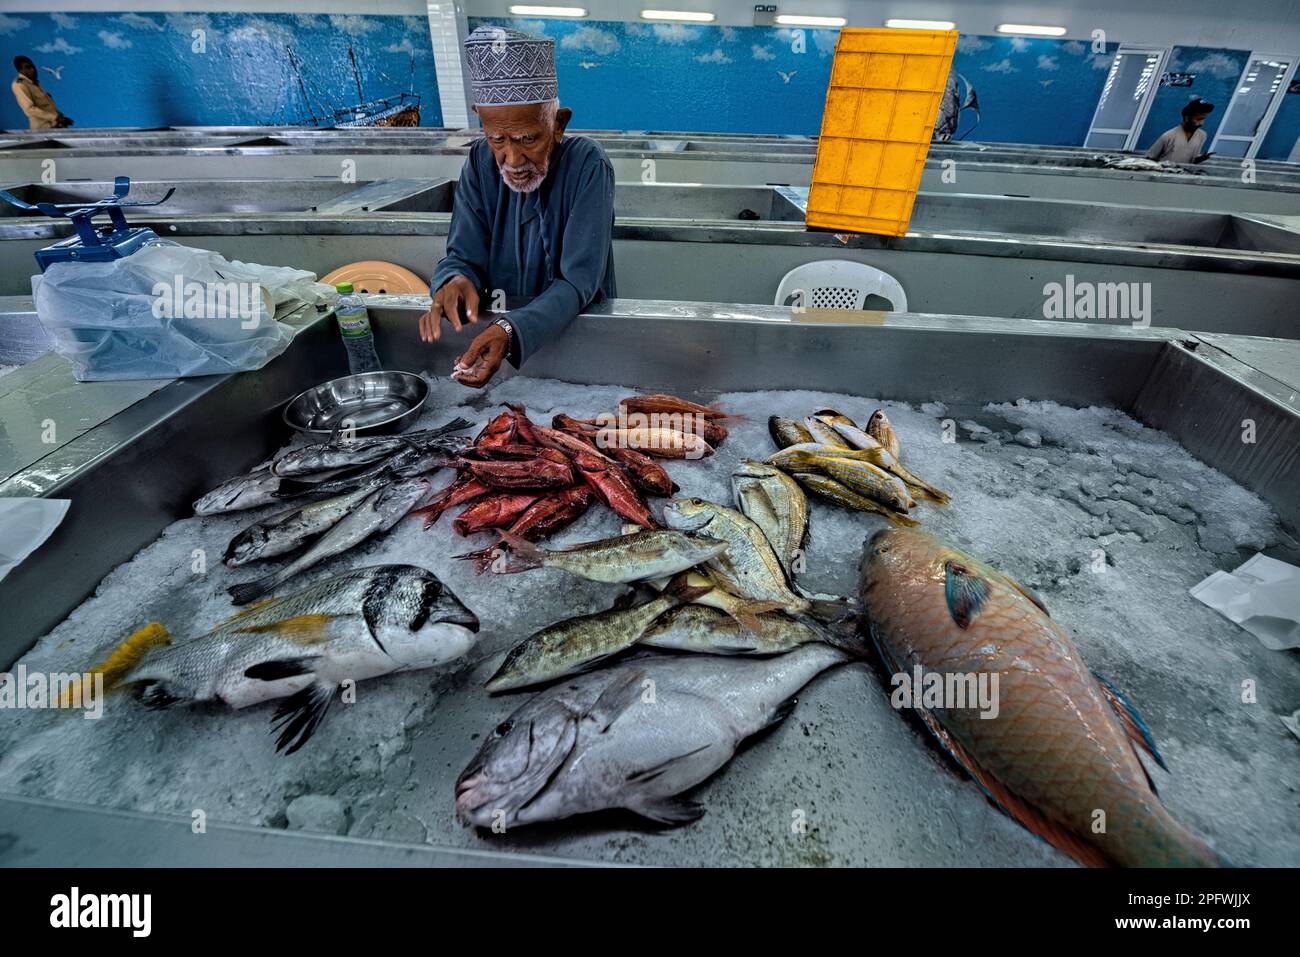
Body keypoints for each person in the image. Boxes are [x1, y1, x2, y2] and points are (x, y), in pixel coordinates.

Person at [420, 27, 615, 388]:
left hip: (580, 343)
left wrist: (511, 329)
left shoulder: (587, 163)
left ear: (558, 125)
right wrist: (454, 280)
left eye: (528, 139)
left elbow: (578, 282)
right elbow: (462, 254)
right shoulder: (480, 161)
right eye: (498, 139)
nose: (512, 158)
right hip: (496, 347)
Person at [10, 56, 72, 130]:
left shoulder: (35, 83)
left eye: (33, 67)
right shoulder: (20, 85)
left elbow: (46, 105)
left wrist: (60, 117)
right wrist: (56, 118)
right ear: (20, 70)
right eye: (28, 67)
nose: (32, 70)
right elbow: (29, 109)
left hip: (55, 126)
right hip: (44, 129)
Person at [1146, 100, 1215, 165]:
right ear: (1187, 118)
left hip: (1184, 175)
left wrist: (1200, 159)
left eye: (1204, 119)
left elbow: (1190, 161)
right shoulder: (1168, 136)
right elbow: (1148, 159)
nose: (1201, 123)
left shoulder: (1202, 135)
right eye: (1198, 119)